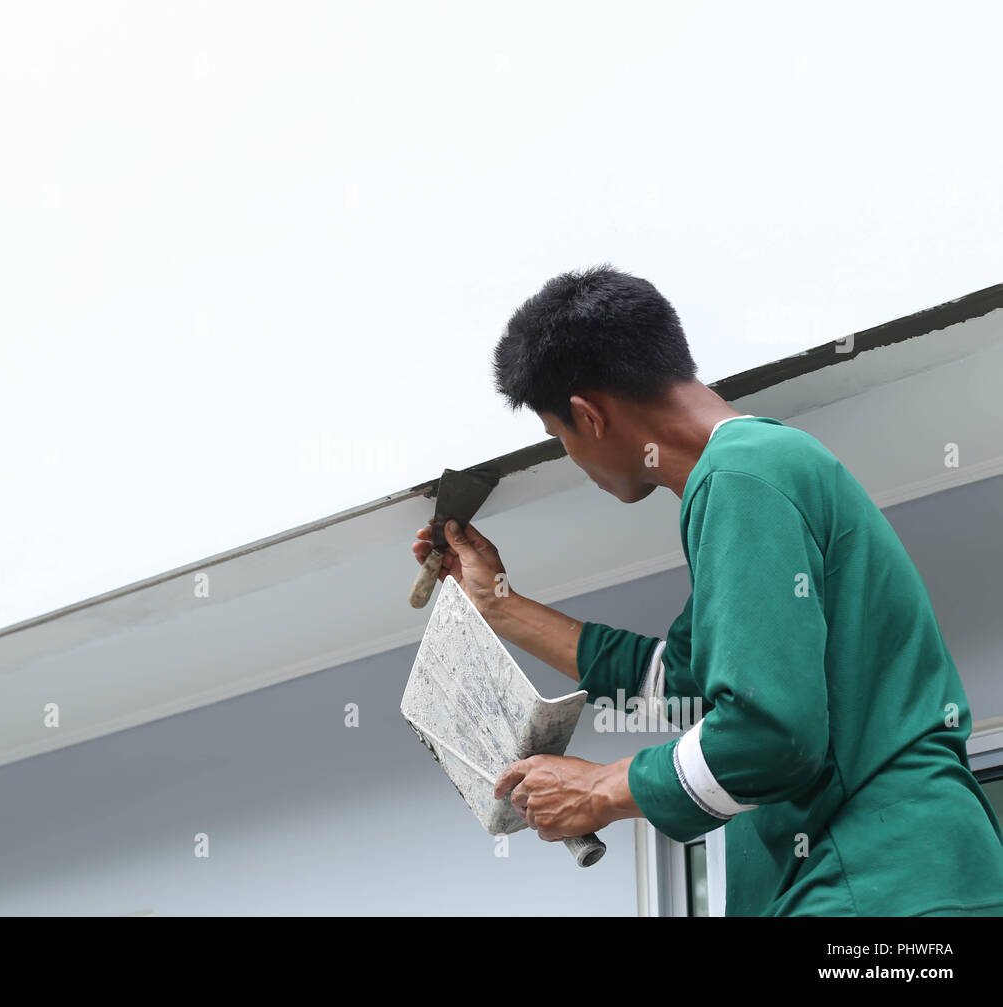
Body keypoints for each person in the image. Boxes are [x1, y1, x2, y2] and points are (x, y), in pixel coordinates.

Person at [413, 264, 1003, 915]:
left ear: (589, 414)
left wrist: (602, 789)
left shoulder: (742, 477)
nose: (575, 462)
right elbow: (687, 683)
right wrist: (498, 602)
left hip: (884, 888)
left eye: (561, 439)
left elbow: (770, 734)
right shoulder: (755, 473)